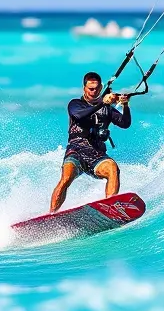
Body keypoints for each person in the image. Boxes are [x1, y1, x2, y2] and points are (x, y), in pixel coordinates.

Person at [50, 71, 132, 212]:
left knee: (112, 167)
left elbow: (125, 123)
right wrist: (102, 102)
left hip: (96, 154)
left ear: (100, 88)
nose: (93, 92)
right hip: (76, 150)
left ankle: (110, 207)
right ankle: (51, 214)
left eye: (96, 88)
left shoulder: (107, 109)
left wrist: (125, 105)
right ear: (84, 88)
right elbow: (79, 116)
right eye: (90, 89)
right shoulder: (75, 104)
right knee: (66, 178)